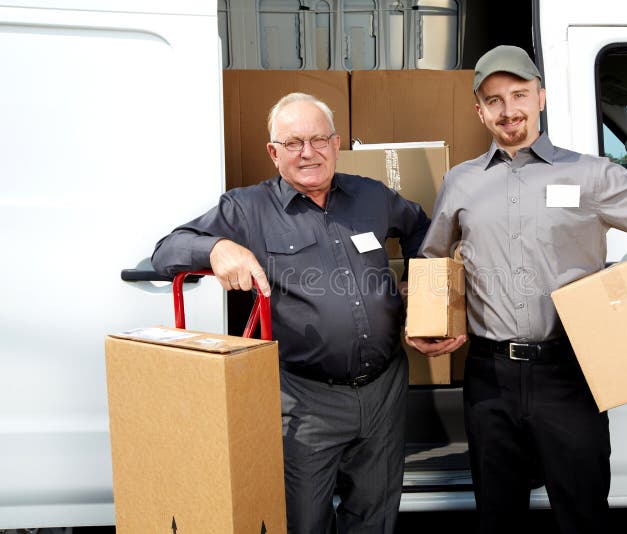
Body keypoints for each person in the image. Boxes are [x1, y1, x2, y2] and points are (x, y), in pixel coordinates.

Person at [406, 45, 627, 534]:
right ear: (479, 110)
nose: (508, 110)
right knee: (497, 519)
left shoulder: (591, 175)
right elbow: (433, 261)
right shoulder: (460, 183)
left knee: (582, 515)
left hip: (568, 373)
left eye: (519, 94)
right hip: (489, 376)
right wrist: (426, 321)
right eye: (494, 100)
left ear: (540, 97)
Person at [151, 92, 430, 534]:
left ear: (336, 144)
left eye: (318, 140)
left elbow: (423, 230)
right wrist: (217, 248)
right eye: (293, 142)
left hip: (384, 391)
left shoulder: (372, 195)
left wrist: (421, 289)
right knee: (302, 522)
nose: (308, 153)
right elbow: (167, 250)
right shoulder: (247, 209)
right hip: (305, 401)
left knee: (375, 519)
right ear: (273, 152)